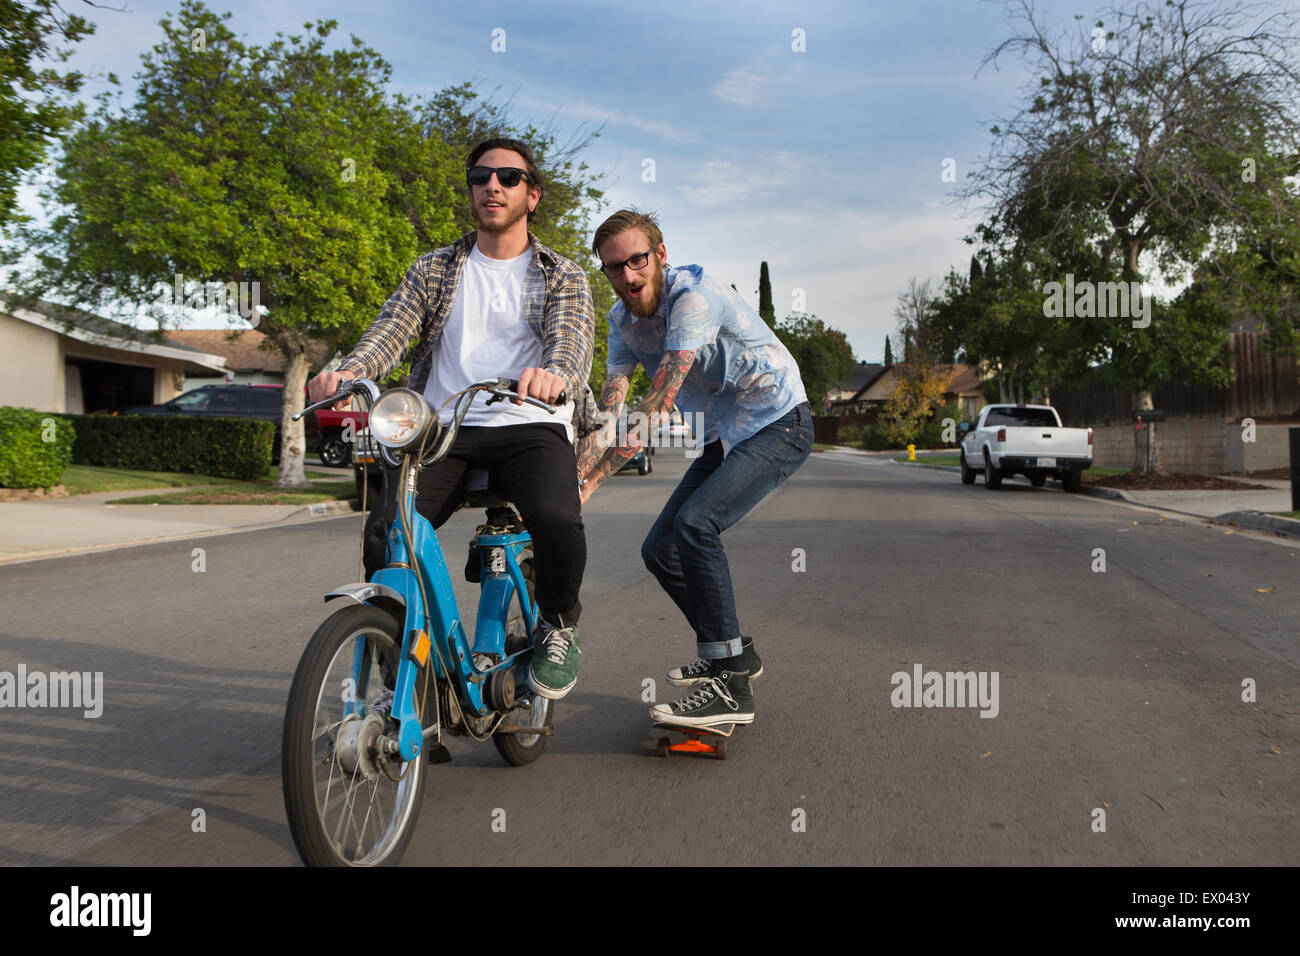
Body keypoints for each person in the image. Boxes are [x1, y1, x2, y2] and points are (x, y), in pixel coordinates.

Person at [307, 138, 594, 701]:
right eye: (481, 175)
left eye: (510, 177)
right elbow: (390, 331)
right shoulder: (433, 268)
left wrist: (554, 374)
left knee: (558, 517)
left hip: (528, 423)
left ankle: (557, 624)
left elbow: (572, 342)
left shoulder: (564, 274)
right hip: (442, 430)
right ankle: (405, 676)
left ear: (531, 196)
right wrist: (347, 373)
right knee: (388, 533)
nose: (493, 185)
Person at [576, 208, 813, 728]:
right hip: (724, 438)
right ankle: (733, 652)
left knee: (695, 524)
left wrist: (594, 479)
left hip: (778, 421)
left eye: (637, 261)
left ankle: (728, 682)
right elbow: (613, 412)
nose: (628, 277)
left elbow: (659, 400)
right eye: (614, 268)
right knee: (660, 550)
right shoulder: (620, 323)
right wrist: (578, 474)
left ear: (660, 256)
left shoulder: (694, 297)